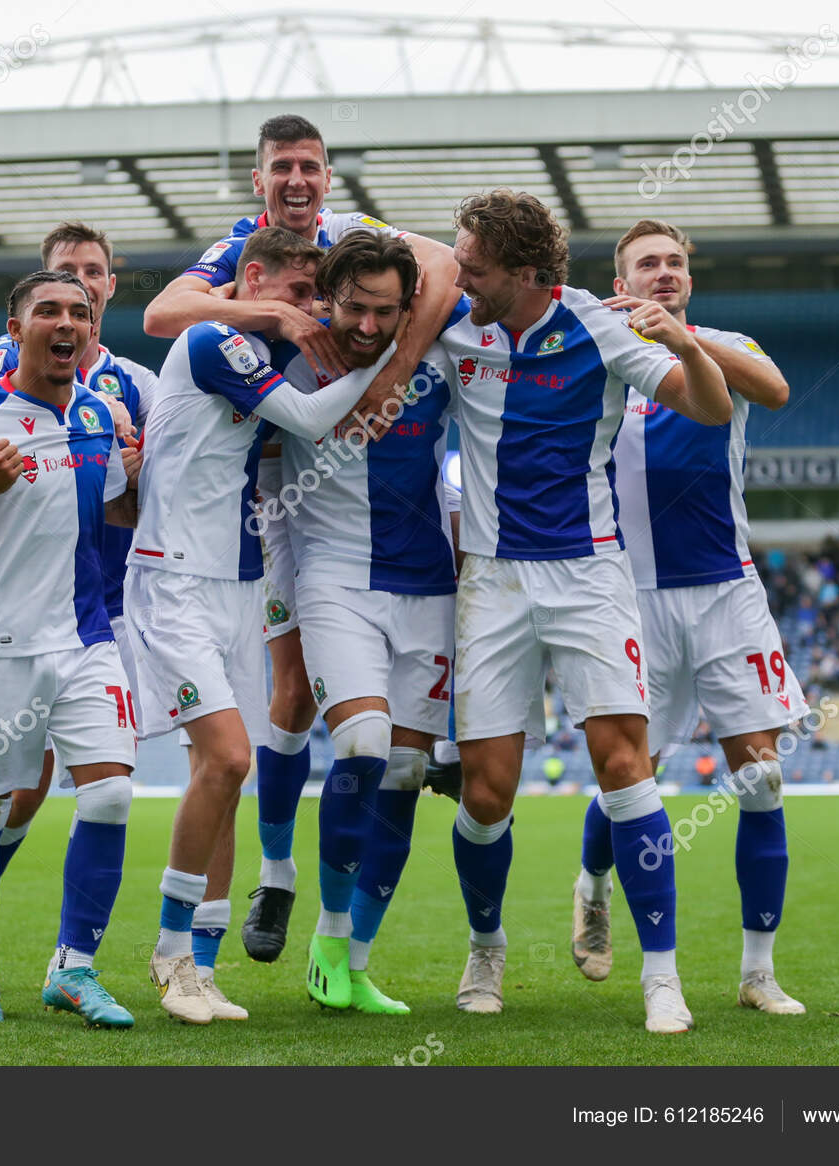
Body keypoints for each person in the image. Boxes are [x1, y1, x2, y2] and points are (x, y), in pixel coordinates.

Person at [145, 114, 460, 964]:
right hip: (274, 492)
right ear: (259, 181)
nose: (297, 179)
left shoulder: (356, 235)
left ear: (328, 175)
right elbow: (164, 312)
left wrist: (396, 363)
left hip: (337, 480)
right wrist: (276, 319)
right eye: (280, 166)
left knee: (333, 713)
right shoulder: (241, 251)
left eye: (309, 166)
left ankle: (303, 891)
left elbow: (442, 264)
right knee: (287, 697)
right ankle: (276, 876)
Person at [438, 190, 730, 1032]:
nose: (462, 277)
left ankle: (662, 977)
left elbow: (708, 407)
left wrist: (683, 343)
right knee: (487, 793)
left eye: (476, 265)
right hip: (491, 583)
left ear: (527, 273)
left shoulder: (598, 325)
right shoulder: (454, 325)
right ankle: (486, 947)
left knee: (624, 767)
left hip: (589, 573)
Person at [125, 227, 400, 1024]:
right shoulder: (216, 339)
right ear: (251, 277)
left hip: (240, 585)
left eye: (318, 295)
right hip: (174, 576)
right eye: (298, 289)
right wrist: (394, 353)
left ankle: (202, 969)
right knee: (227, 756)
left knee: (229, 777)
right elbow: (313, 419)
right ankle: (171, 952)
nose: (309, 308)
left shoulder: (258, 353)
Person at [573, 219, 810, 1016]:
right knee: (629, 780)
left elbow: (775, 392)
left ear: (689, 280)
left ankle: (757, 973)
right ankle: (594, 884)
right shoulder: (594, 348)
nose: (665, 272)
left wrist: (686, 341)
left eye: (676, 262)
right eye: (649, 263)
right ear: (622, 278)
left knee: (762, 777)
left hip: (724, 590)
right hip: (628, 597)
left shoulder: (725, 345)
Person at [0, 270, 140, 1028]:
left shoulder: (95, 415)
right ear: (14, 329)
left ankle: (73, 968)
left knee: (112, 794)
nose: (67, 322)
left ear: (90, 330)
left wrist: (139, 481)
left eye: (80, 312)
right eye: (48, 310)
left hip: (85, 637)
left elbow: (117, 508)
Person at [265, 232, 461, 1013]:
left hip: (428, 586)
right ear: (326, 298)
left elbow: (453, 264)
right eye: (355, 309)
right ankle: (326, 931)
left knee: (408, 776)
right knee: (363, 744)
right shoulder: (287, 363)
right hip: (335, 580)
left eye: (387, 311)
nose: (370, 328)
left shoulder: (440, 355)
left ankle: (354, 959)